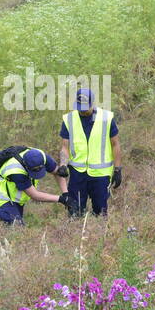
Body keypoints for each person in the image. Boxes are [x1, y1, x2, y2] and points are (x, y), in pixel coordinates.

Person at [59, 88, 121, 218]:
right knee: (75, 211)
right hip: (77, 173)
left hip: (100, 174)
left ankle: (98, 235)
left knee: (100, 211)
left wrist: (118, 169)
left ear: (93, 103)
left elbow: (115, 144)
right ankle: (75, 234)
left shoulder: (106, 118)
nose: (83, 110)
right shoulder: (69, 119)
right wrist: (63, 164)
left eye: (86, 107)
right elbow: (65, 146)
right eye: (80, 107)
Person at [0, 147, 68, 226]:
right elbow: (34, 195)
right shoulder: (16, 171)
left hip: (16, 197)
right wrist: (61, 199)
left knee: (16, 226)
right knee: (17, 227)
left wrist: (66, 194)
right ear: (25, 165)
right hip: (2, 198)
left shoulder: (41, 156)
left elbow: (58, 172)